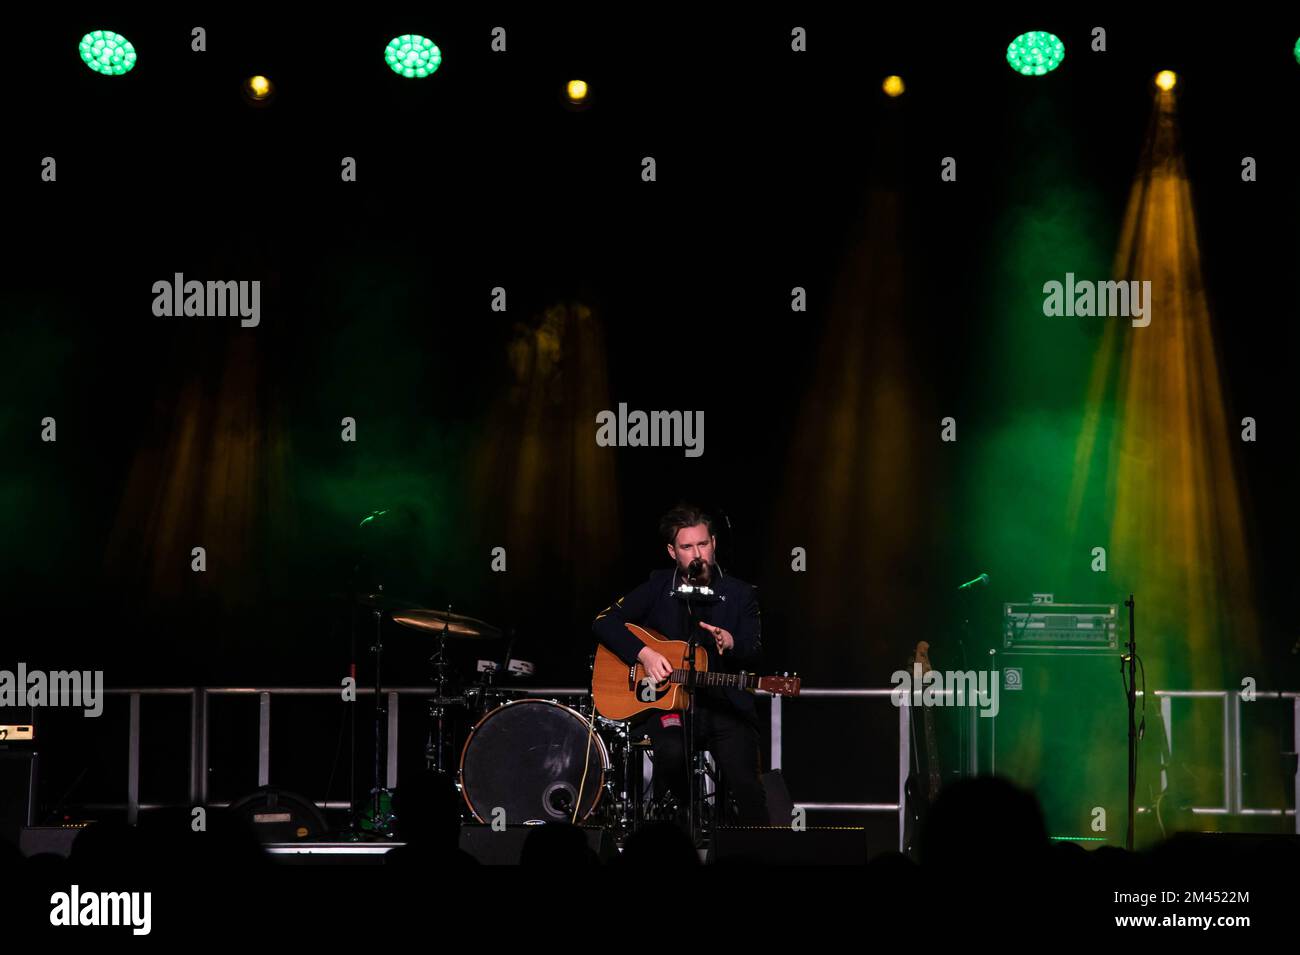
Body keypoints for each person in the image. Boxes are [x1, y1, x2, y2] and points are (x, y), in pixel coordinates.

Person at [592, 504, 768, 825]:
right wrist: (643, 653)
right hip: (672, 707)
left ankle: (758, 849)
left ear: (713, 543)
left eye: (703, 544)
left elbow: (755, 651)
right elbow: (604, 621)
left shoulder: (740, 593)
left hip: (725, 706)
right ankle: (691, 817)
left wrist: (731, 643)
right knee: (671, 755)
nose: (697, 553)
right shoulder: (660, 586)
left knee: (746, 785)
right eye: (687, 547)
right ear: (673, 551)